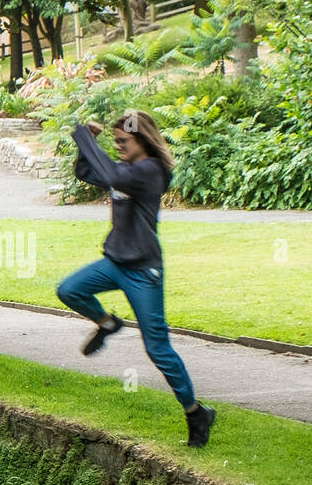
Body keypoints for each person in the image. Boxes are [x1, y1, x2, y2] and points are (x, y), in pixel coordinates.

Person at [56, 112, 216, 447]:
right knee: (69, 289)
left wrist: (84, 135)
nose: (118, 147)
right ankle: (107, 323)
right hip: (115, 262)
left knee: (157, 349)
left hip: (144, 272)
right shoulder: (127, 169)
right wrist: (87, 146)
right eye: (115, 142)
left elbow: (109, 173)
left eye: (123, 141)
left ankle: (196, 412)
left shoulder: (150, 171)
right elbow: (88, 171)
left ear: (142, 140)